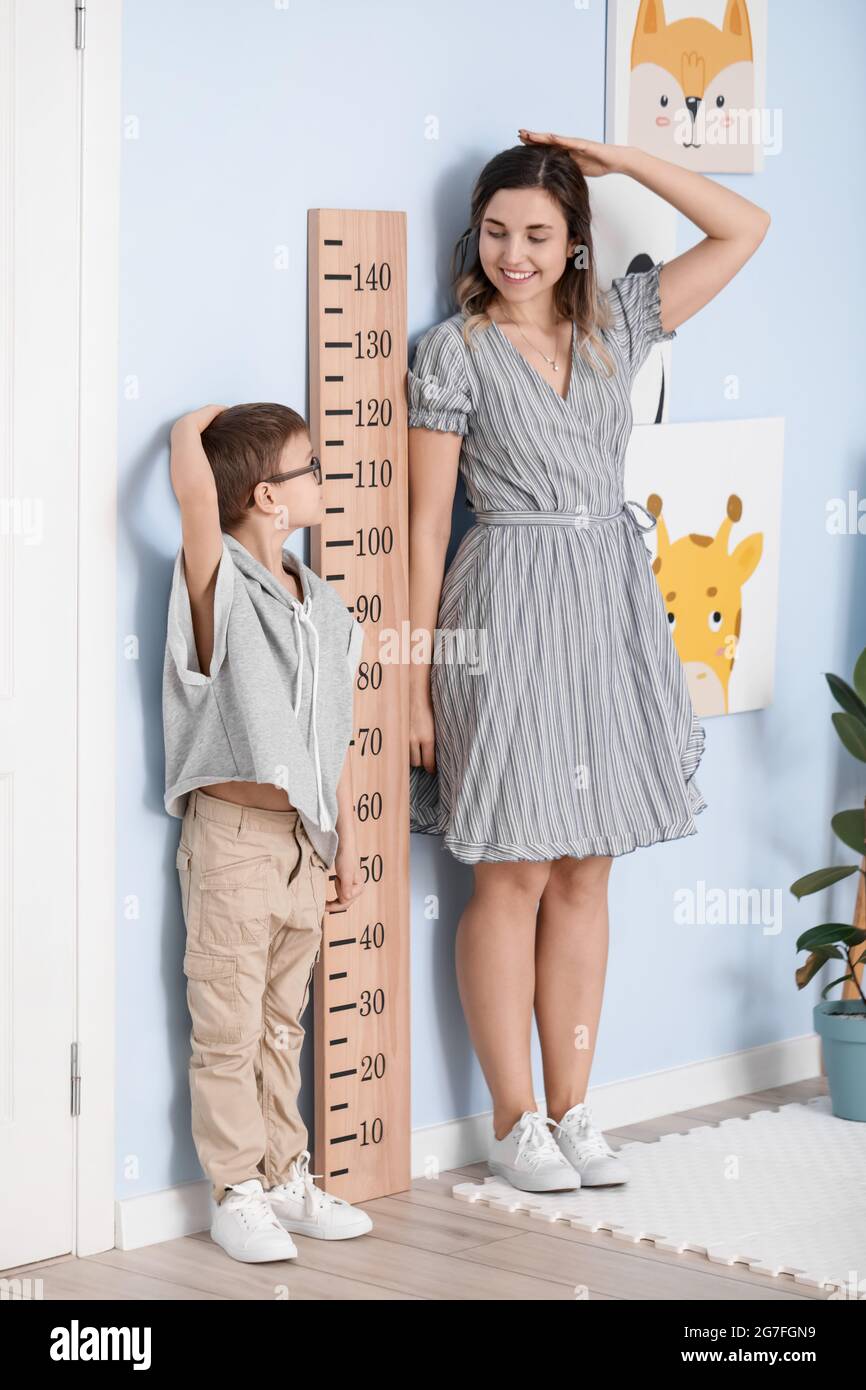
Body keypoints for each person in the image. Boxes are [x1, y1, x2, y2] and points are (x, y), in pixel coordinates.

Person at [407, 132, 770, 1194]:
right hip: (505, 603)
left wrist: (618, 158)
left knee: (585, 868)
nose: (512, 253)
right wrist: (419, 675)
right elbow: (429, 525)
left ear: (574, 245)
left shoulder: (617, 322)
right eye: (495, 231)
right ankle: (512, 1120)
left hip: (607, 607)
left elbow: (742, 228)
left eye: (536, 233)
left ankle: (572, 1109)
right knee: (511, 869)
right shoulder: (453, 351)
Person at [163, 402, 372, 1261]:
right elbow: (192, 490)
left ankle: (287, 1173)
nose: (324, 478)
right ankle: (234, 1189)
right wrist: (201, 425)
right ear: (264, 497)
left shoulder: (317, 603)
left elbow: (331, 732)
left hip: (298, 846)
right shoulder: (220, 582)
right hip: (233, 841)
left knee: (283, 1023)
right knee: (227, 1024)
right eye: (310, 468)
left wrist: (341, 839)